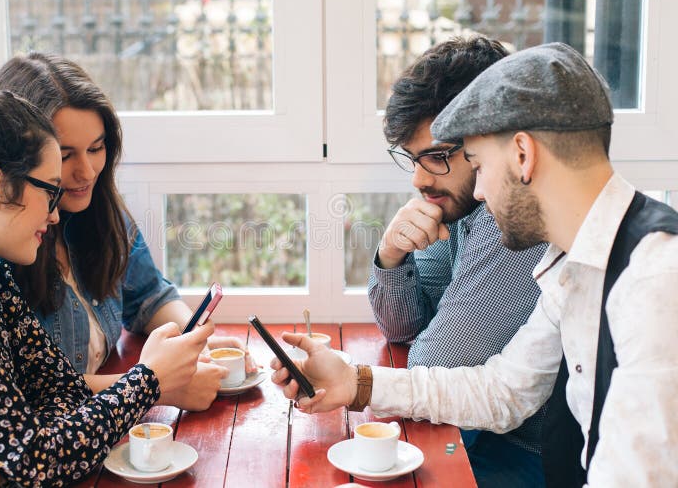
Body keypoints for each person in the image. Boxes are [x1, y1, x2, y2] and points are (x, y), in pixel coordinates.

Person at [272, 42, 678, 486]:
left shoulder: (656, 279)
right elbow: (506, 390)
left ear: (522, 155)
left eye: (478, 165)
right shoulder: (572, 259)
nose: (480, 192)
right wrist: (354, 382)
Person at [0, 18, 212, 486]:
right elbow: (39, 459)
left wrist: (17, 456)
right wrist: (149, 379)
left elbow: (61, 395)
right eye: (49, 191)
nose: (55, 216)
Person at [0, 53, 250, 410]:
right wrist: (155, 387)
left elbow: (149, 296)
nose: (86, 172)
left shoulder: (101, 215)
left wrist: (192, 343)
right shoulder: (1, 253)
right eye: (65, 156)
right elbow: (33, 391)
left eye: (96, 148)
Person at [370, 37, 547, 486]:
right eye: (412, 158)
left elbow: (433, 365)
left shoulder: (510, 218)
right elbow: (404, 328)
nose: (419, 178)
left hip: (533, 456)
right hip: (483, 429)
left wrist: (359, 383)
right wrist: (391, 256)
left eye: (436, 156)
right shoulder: (459, 204)